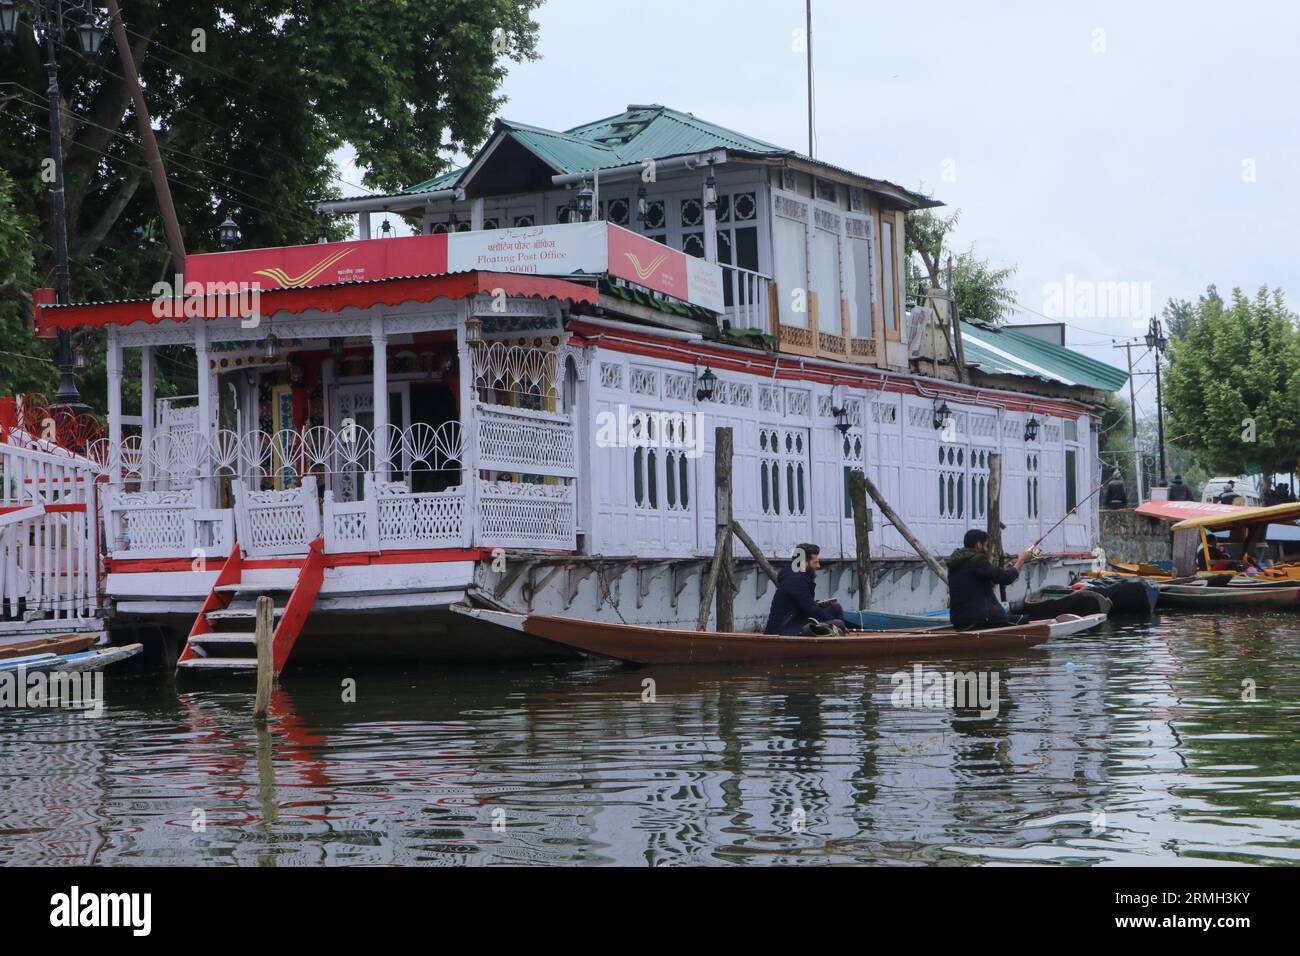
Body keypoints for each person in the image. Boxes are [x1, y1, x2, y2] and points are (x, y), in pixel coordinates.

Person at [946, 529, 1031, 631]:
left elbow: (979, 577)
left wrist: (1005, 569)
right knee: (1024, 619)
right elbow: (1006, 578)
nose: (987, 549)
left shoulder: (956, 562)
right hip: (980, 619)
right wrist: (1021, 560)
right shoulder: (977, 560)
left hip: (959, 621)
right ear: (978, 545)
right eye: (986, 545)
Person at [764, 543, 847, 636]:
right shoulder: (795, 580)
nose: (818, 566)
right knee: (839, 624)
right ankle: (839, 641)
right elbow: (811, 609)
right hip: (785, 629)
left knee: (835, 608)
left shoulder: (796, 576)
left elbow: (804, 604)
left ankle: (838, 636)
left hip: (796, 620)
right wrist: (835, 622)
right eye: (815, 562)